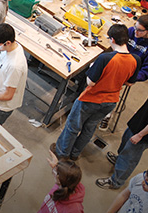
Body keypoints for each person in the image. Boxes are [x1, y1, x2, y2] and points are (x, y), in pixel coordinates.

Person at [52, 24, 141, 160]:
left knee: (73, 127)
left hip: (91, 99)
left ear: (112, 39)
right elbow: (130, 83)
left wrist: (94, 68)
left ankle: (62, 154)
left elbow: (90, 82)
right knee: (89, 128)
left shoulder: (105, 58)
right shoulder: (136, 60)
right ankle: (75, 154)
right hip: (111, 102)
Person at [99, 15, 148, 130]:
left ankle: (107, 113)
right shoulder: (130, 31)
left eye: (140, 30)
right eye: (135, 27)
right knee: (97, 71)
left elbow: (146, 71)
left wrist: (133, 77)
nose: (135, 32)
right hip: (116, 62)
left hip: (129, 73)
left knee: (113, 87)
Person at [96, 97, 148, 189]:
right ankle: (119, 159)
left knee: (130, 155)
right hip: (140, 122)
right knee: (125, 142)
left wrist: (140, 135)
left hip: (143, 134)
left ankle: (116, 181)